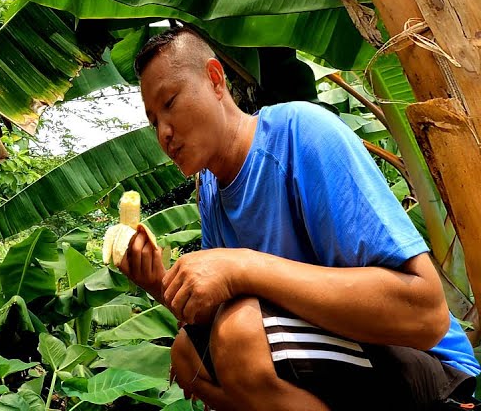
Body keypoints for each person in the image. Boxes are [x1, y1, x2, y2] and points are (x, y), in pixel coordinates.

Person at [117, 27, 479, 411]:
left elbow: (427, 314)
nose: (164, 133)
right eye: (153, 120)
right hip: (331, 363)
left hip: (431, 370)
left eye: (170, 102)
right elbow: (214, 322)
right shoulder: (210, 188)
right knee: (187, 357)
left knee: (240, 333)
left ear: (215, 79)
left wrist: (243, 267)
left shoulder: (301, 134)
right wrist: (158, 282)